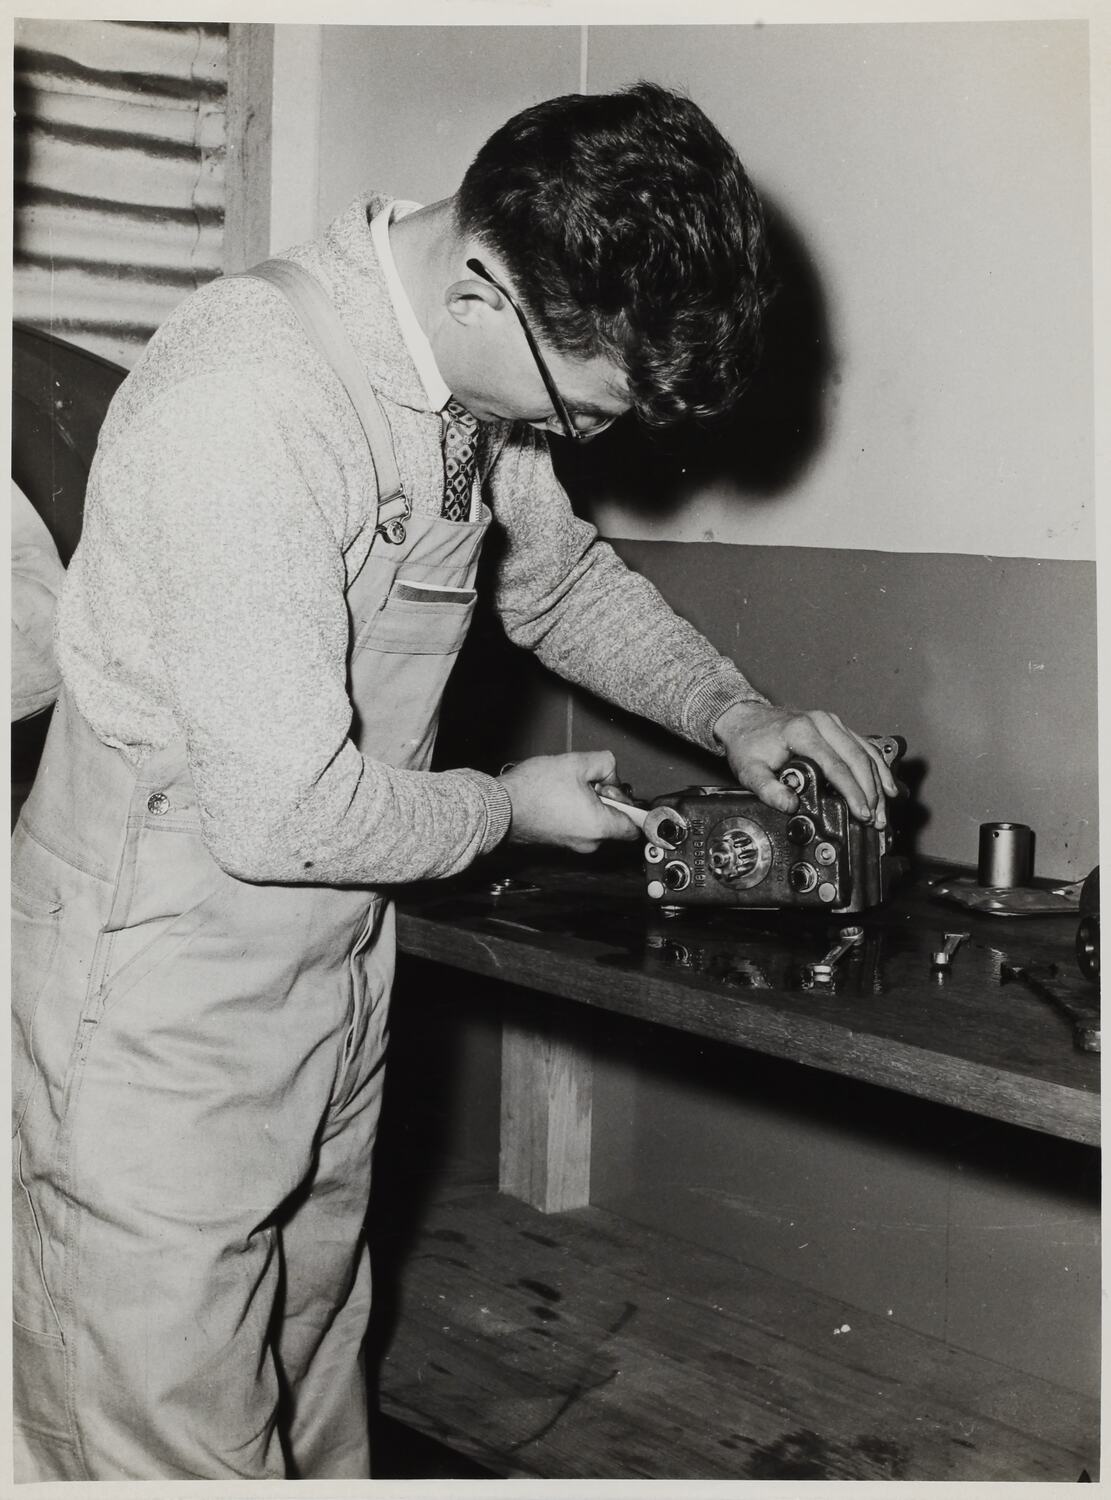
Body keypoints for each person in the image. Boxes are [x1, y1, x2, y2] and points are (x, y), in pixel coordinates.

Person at [11, 81, 898, 1481]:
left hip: (331, 960)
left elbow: (554, 587)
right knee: (155, 1441)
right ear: (487, 287)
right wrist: (508, 810)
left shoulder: (475, 378)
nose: (586, 445)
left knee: (308, 1383)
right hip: (158, 994)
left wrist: (736, 713)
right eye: (588, 411)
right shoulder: (251, 394)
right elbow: (282, 810)